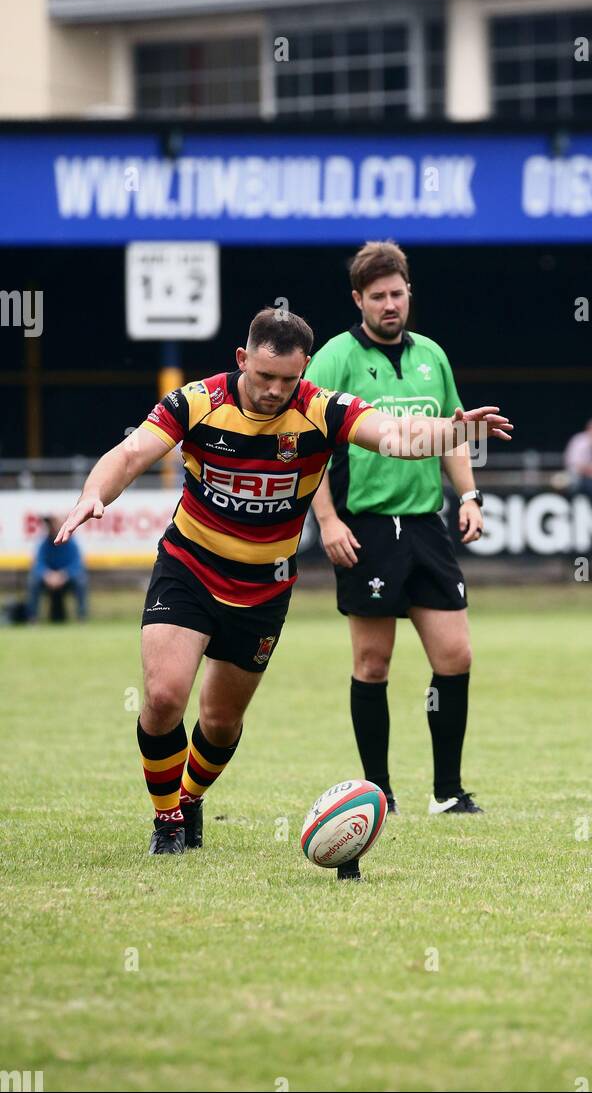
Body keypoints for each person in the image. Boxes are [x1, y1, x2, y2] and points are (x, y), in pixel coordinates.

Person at [53, 308, 512, 859]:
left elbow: (395, 434)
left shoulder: (321, 408)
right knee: (163, 696)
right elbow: (131, 455)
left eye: (287, 380)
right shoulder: (196, 401)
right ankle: (168, 819)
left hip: (264, 587)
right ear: (242, 359)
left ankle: (192, 797)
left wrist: (454, 431)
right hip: (190, 565)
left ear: (306, 369)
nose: (274, 391)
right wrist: (92, 495)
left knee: (221, 723)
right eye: (263, 376)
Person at [307, 241, 485, 818]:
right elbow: (306, 447)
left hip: (426, 526)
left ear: (410, 292)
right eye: (378, 296)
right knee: (373, 663)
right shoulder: (335, 358)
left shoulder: (433, 354)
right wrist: (328, 521)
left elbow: (454, 433)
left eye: (397, 293)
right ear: (358, 299)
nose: (390, 304)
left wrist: (471, 497)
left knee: (455, 655)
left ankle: (448, 792)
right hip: (366, 527)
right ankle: (379, 792)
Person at [27, 515, 88, 622]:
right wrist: (47, 575)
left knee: (81, 581)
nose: (50, 527)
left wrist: (63, 575)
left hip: (66, 578)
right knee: (33, 581)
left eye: (52, 524)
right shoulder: (44, 543)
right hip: (49, 579)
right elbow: (38, 564)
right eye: (48, 525)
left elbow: (77, 564)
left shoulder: (71, 543)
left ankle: (82, 617)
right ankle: (32, 618)